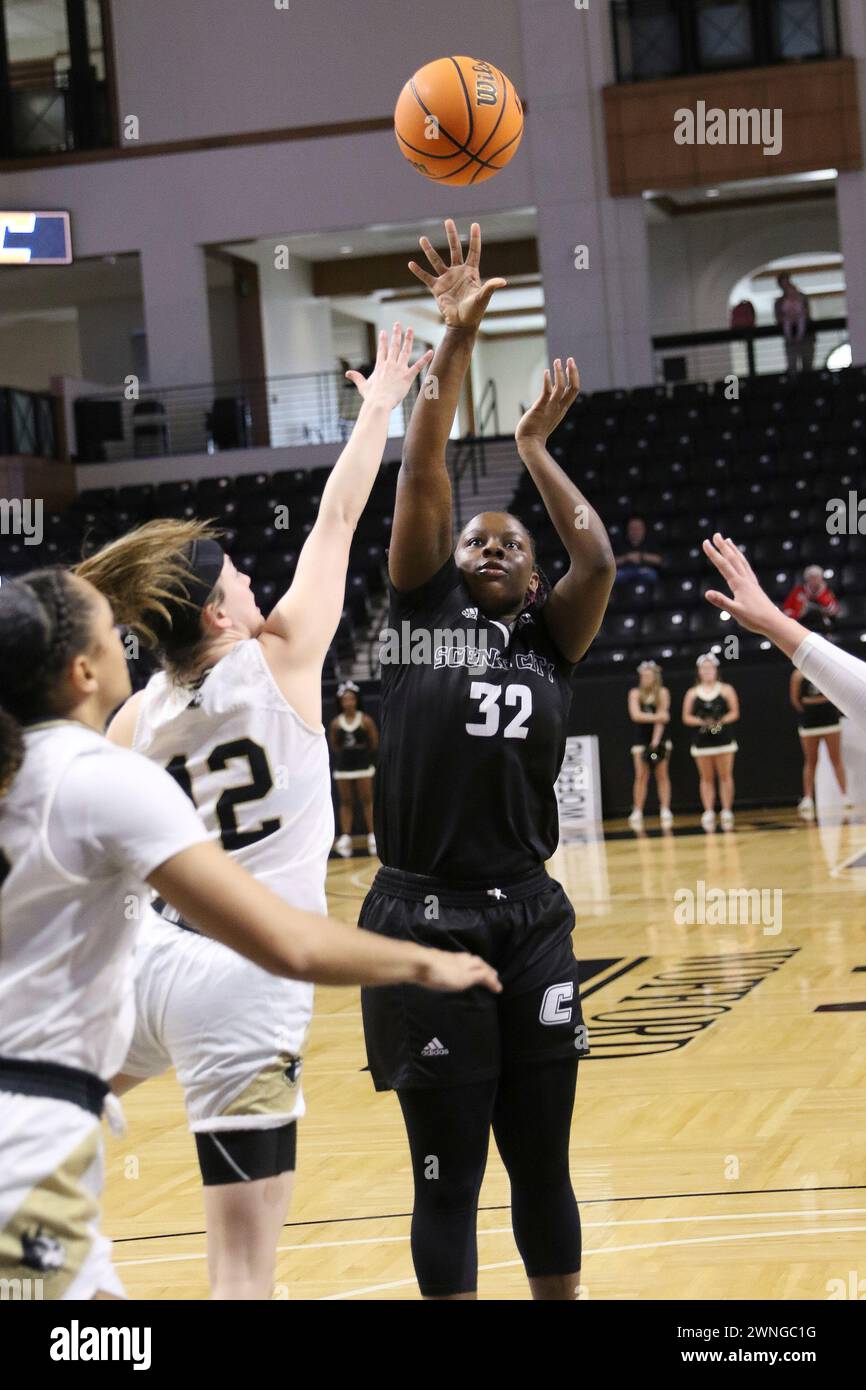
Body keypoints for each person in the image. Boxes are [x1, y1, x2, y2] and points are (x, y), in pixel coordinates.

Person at [74, 326, 473, 1302]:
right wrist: (380, 398)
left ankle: (54, 1255)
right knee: (243, 1275)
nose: (256, 581)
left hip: (149, 971)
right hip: (246, 982)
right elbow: (338, 519)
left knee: (55, 1102)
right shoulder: (283, 656)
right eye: (239, 578)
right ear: (218, 614)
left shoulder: (135, 715)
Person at [0, 567, 499, 1301]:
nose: (129, 643)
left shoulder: (38, 775)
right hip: (28, 1149)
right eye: (113, 634)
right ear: (79, 671)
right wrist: (423, 963)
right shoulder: (102, 780)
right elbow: (285, 945)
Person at [357, 219, 616, 1301]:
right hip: (423, 919)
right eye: (478, 540)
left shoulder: (550, 639)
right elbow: (421, 468)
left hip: (531, 917)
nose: (497, 544)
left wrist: (533, 455)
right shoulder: (415, 619)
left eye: (512, 538)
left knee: (541, 1161)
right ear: (448, 566)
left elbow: (592, 550)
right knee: (446, 1176)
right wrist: (452, 344)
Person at [704, 532, 866, 737]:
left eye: (817, 578)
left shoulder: (825, 593)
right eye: (812, 578)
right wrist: (776, 620)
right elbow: (790, 612)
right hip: (802, 636)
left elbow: (835, 611)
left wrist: (773, 622)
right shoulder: (798, 593)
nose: (815, 581)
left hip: (821, 639)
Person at [682, 653, 740, 832]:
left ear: (716, 670)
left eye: (710, 668)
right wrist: (703, 722)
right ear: (699, 671)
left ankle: (726, 810)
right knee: (706, 778)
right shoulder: (692, 693)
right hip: (702, 742)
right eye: (704, 668)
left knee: (725, 776)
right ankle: (708, 810)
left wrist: (719, 721)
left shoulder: (726, 689)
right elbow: (686, 717)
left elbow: (735, 712)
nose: (707, 671)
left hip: (723, 740)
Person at [790, 667, 850, 819]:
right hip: (809, 722)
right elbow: (795, 699)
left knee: (836, 759)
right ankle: (808, 798)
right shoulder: (798, 675)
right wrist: (813, 704)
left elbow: (837, 695)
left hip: (830, 720)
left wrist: (820, 702)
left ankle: (845, 797)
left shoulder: (827, 671)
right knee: (811, 761)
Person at [329, 680, 379, 858]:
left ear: (356, 700)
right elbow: (334, 745)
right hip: (344, 768)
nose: (348, 703)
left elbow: (374, 743)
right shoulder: (336, 723)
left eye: (351, 699)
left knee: (367, 800)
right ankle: (346, 836)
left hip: (363, 766)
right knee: (346, 802)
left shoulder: (365, 720)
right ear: (340, 702)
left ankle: (372, 834)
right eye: (345, 700)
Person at [627, 659, 673, 830]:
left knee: (662, 774)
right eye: (643, 676)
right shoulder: (635, 693)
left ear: (655, 677)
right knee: (641, 775)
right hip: (641, 739)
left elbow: (663, 720)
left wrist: (655, 741)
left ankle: (665, 809)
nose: (645, 678)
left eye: (648, 676)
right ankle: (637, 810)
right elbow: (636, 715)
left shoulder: (662, 692)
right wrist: (657, 717)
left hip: (659, 739)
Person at [774, 273, 815, 374]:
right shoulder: (779, 302)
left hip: (806, 336)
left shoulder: (801, 297)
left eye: (787, 281)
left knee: (807, 365)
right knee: (792, 367)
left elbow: (807, 312)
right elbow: (778, 318)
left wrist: (799, 314)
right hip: (791, 338)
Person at [614, 517, 662, 585]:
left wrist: (641, 556)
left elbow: (659, 560)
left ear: (644, 530)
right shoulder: (620, 544)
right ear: (627, 530)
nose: (635, 531)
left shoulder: (651, 543)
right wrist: (626, 558)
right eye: (632, 528)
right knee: (616, 576)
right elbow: (612, 563)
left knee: (651, 575)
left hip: (644, 570)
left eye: (638, 528)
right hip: (625, 570)